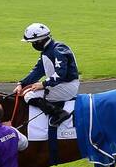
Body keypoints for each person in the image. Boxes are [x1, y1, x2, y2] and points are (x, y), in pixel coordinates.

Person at [14, 23, 80, 151]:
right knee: (27, 90)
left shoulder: (58, 49)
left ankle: (59, 114)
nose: (32, 45)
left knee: (30, 95)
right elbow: (37, 71)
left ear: (39, 41)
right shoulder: (47, 51)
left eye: (33, 42)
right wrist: (21, 84)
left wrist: (43, 84)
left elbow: (61, 74)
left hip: (67, 86)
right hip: (59, 85)